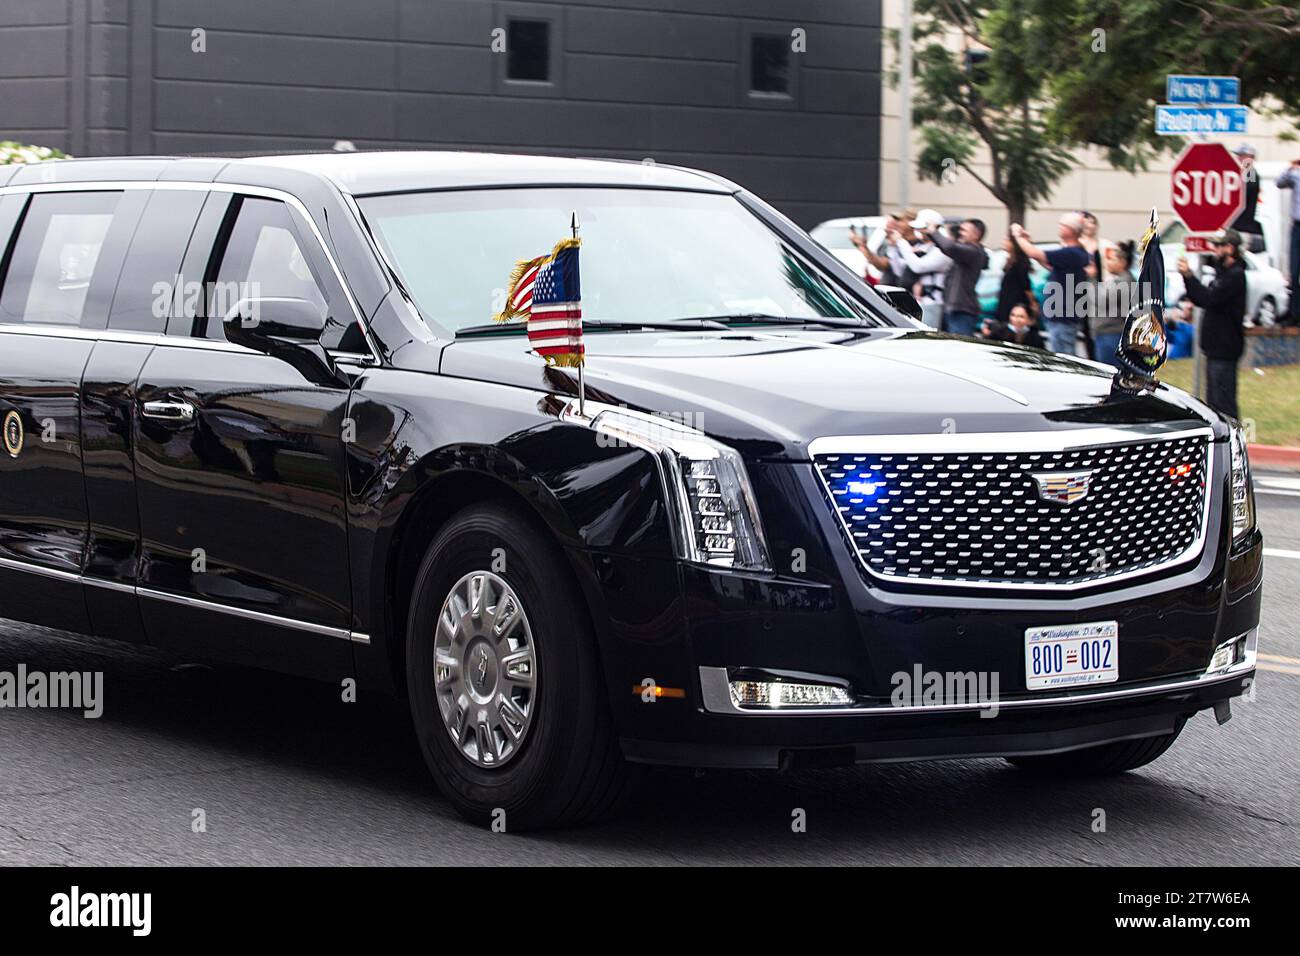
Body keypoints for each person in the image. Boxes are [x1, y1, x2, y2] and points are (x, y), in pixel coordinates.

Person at [1178, 228, 1247, 420]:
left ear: (1230, 248)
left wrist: (1189, 276)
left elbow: (1208, 299)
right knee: (1214, 404)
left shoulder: (1235, 276)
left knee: (1223, 405)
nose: (1214, 249)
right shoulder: (1224, 274)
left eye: (1218, 246)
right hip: (1216, 350)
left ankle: (1230, 443)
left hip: (1224, 350)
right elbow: (1204, 298)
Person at [1011, 212, 1091, 355]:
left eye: (1062, 225)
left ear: (1071, 229)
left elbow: (1034, 254)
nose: (1059, 228)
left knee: (1064, 360)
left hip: (1062, 318)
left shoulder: (1072, 253)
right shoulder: (1075, 253)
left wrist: (1017, 236)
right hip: (1062, 318)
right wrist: (1027, 242)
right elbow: (1048, 263)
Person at [922, 214, 988, 336]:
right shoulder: (968, 250)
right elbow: (947, 248)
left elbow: (949, 247)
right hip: (955, 309)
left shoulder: (974, 251)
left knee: (960, 348)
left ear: (976, 235)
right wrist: (931, 234)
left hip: (962, 310)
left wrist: (933, 231)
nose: (960, 233)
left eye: (964, 230)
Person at [889, 208, 950, 328]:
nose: (918, 231)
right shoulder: (924, 247)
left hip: (932, 303)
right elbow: (901, 270)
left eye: (922, 228)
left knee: (926, 338)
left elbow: (918, 267)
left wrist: (901, 243)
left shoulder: (942, 250)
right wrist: (893, 248)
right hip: (916, 302)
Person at [1089, 239, 1138, 369]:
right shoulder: (1121, 281)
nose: (1107, 263)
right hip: (1109, 334)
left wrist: (1092, 278)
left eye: (1111, 259)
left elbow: (1098, 300)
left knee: (1110, 373)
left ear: (1122, 262)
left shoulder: (1124, 282)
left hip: (1112, 335)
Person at [1277, 159, 1300, 322]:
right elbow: (1279, 182)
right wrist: (1290, 167)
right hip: (1297, 225)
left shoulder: (1250, 174)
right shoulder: (1295, 175)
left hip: (1247, 227)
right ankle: (1294, 311)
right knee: (1294, 271)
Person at [996, 230, 1034, 324]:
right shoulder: (1010, 260)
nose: (1003, 242)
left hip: (1015, 302)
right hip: (1005, 300)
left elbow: (1026, 285)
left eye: (1006, 240)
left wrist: (1033, 303)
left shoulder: (1020, 262)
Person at [1078, 211, 1102, 358]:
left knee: (1096, 324)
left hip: (1098, 288)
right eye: (1086, 222)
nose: (1089, 225)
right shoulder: (1077, 244)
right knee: (1085, 326)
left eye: (1092, 222)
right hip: (1081, 289)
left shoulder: (1101, 244)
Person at [1230, 144, 1261, 239]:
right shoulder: (1243, 172)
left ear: (1249, 157)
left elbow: (1243, 193)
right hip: (1235, 225)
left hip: (1243, 226)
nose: (1238, 158)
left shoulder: (1250, 172)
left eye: (1241, 155)